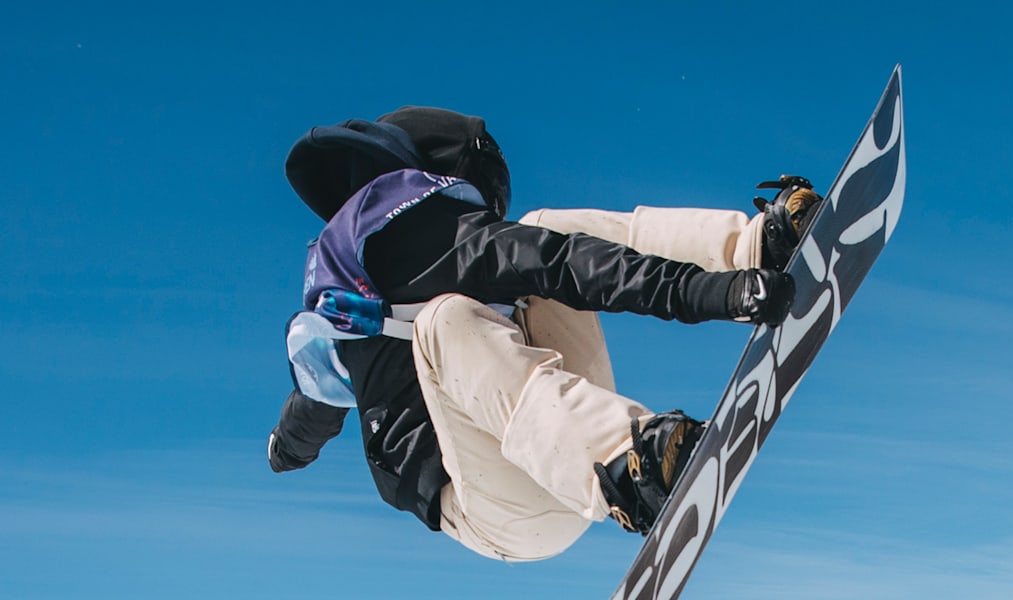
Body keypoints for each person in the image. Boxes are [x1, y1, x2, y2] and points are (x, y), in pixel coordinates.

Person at [267, 107, 822, 562]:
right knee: (448, 319)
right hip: (493, 508)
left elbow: (310, 409)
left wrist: (283, 451)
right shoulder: (415, 233)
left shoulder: (343, 291)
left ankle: (758, 245)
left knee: (539, 231)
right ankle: (634, 467)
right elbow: (567, 264)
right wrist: (709, 295)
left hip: (549, 454)